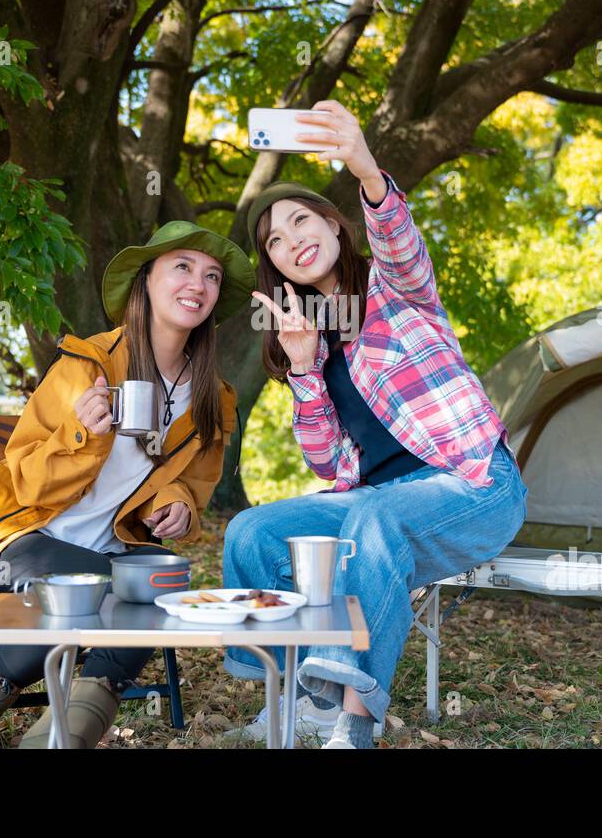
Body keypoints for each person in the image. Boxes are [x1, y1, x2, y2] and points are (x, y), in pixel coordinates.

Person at [223, 100, 528, 749]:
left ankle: (355, 722)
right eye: (274, 240)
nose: (289, 240)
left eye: (300, 220)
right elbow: (329, 467)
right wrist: (304, 370)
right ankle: (298, 696)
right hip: (373, 503)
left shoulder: (397, 291)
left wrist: (364, 166)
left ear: (335, 224)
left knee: (372, 520)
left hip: (474, 485)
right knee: (252, 533)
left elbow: (397, 237)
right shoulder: (312, 341)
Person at [0, 221, 253, 748]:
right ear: (144, 282)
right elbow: (24, 478)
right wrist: (81, 433)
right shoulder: (86, 363)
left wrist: (179, 504)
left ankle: (57, 739)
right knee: (91, 588)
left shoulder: (213, 396)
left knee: (156, 594)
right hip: (16, 534)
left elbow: (190, 482)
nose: (199, 284)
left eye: (211, 276)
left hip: (111, 550)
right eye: (182, 267)